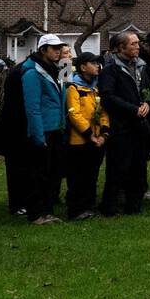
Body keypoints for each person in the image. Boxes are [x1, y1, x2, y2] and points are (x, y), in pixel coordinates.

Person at [97, 31, 150, 216]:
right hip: (121, 126)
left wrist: (147, 103)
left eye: (138, 43)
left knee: (138, 167)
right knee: (118, 168)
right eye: (133, 44)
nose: (138, 47)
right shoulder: (110, 70)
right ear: (121, 47)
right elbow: (108, 97)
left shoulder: (142, 67)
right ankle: (110, 206)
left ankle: (134, 205)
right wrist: (132, 109)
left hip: (139, 125)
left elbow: (149, 90)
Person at [22, 35, 69, 225]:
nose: (58, 51)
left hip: (57, 128)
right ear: (43, 50)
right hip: (44, 131)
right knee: (40, 174)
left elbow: (64, 95)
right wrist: (38, 136)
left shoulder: (57, 70)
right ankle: (36, 213)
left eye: (59, 48)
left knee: (53, 173)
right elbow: (32, 107)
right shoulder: (32, 73)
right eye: (53, 48)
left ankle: (48, 210)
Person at [64, 51, 109, 220]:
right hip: (79, 140)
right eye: (93, 63)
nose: (97, 66)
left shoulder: (96, 88)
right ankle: (76, 208)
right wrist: (89, 133)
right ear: (83, 67)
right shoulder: (74, 87)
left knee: (92, 175)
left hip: (98, 139)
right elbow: (74, 113)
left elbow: (103, 111)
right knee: (78, 176)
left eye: (98, 63)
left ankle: (89, 205)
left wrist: (104, 133)